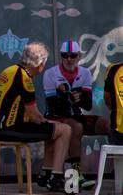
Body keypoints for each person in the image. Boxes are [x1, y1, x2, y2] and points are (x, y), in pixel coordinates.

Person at [0, 41, 74, 193]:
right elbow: (33, 115)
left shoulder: (9, 70)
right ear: (40, 64)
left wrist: (48, 123)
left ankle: (46, 173)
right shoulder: (25, 78)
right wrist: (48, 122)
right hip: (10, 129)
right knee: (64, 130)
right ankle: (56, 178)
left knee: (53, 129)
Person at [42, 40, 102, 179]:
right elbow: (53, 107)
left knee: (106, 124)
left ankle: (117, 169)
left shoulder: (85, 73)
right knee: (76, 127)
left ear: (79, 56)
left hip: (75, 115)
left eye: (73, 56)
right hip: (56, 116)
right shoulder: (50, 73)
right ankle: (76, 174)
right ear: (61, 56)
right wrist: (66, 96)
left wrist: (78, 99)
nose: (69, 59)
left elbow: (88, 105)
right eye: (65, 55)